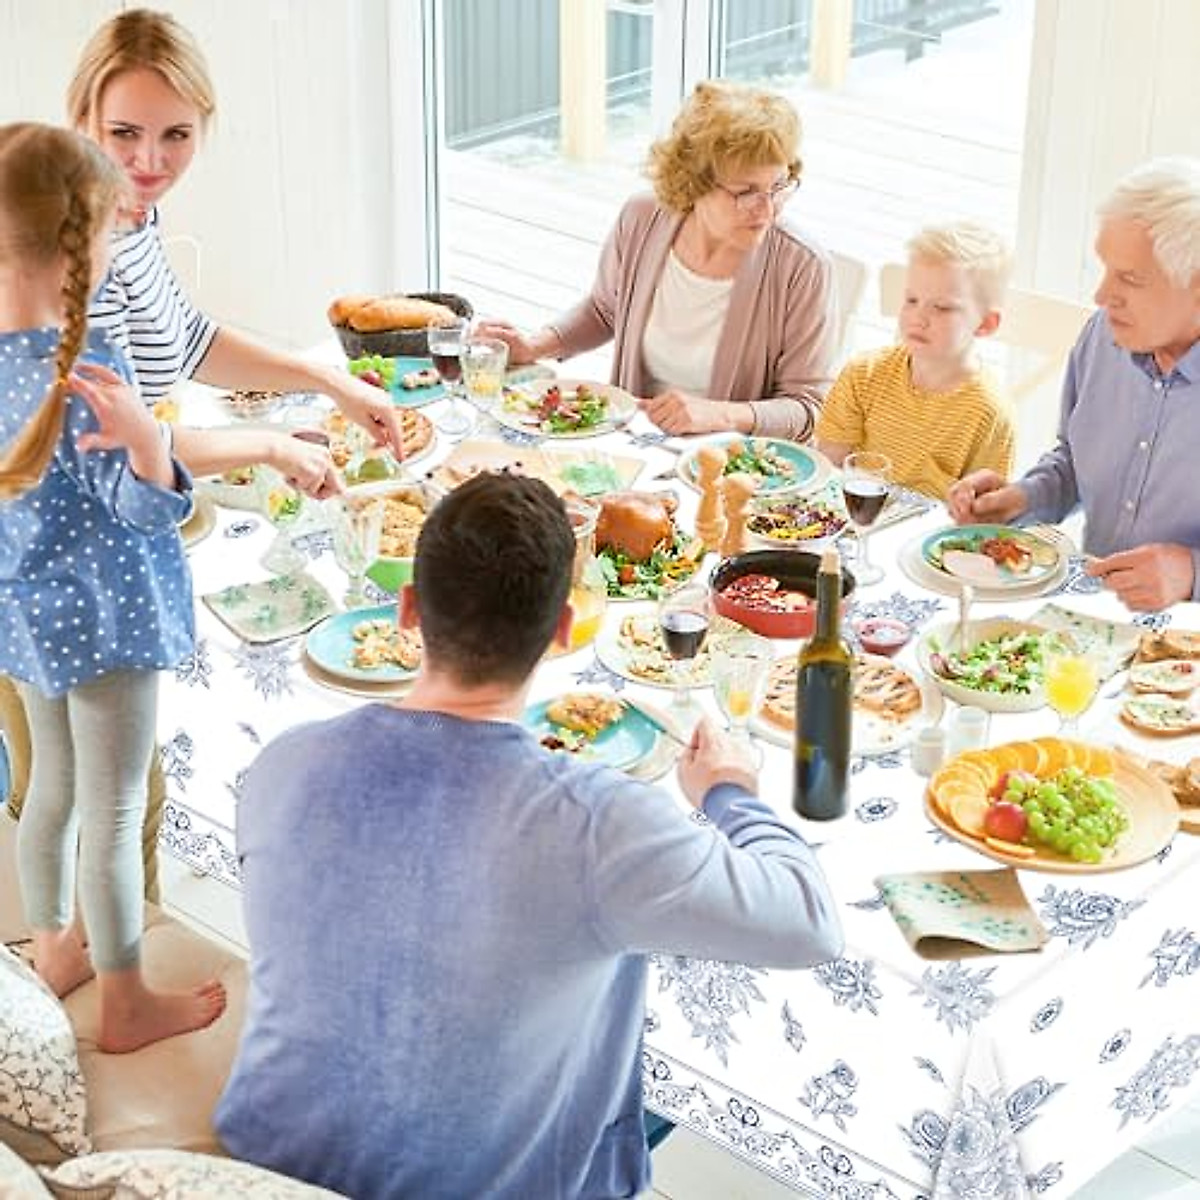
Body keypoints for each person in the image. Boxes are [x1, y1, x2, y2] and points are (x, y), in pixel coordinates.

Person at [215, 472, 843, 1199]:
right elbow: (810, 922)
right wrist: (730, 792)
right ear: (564, 629)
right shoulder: (598, 823)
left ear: (408, 611)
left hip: (269, 1168)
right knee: (657, 1094)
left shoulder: (282, 761)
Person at [0, 122, 226, 1051]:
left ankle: (54, 944)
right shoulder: (91, 370)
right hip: (110, 621)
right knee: (117, 806)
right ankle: (126, 1000)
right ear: (81, 247)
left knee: (45, 781)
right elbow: (140, 511)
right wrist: (150, 445)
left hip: (23, 619)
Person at [477, 80, 837, 441]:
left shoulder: (802, 266)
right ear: (695, 182)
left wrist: (721, 414)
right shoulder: (642, 218)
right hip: (630, 444)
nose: (767, 209)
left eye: (778, 186)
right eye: (745, 192)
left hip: (729, 473)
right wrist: (533, 346)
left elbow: (808, 407)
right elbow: (604, 310)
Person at [948, 157, 1200, 611]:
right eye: (1105, 269)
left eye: (1130, 278)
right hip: (1091, 618)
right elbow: (1073, 458)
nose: (1101, 296)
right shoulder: (1103, 336)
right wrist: (1023, 498)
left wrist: (1191, 573)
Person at [816, 220, 1015, 500]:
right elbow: (827, 472)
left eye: (942, 307)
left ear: (985, 323)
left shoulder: (989, 414)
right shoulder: (864, 375)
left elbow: (983, 519)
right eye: (911, 300)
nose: (918, 317)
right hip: (853, 525)